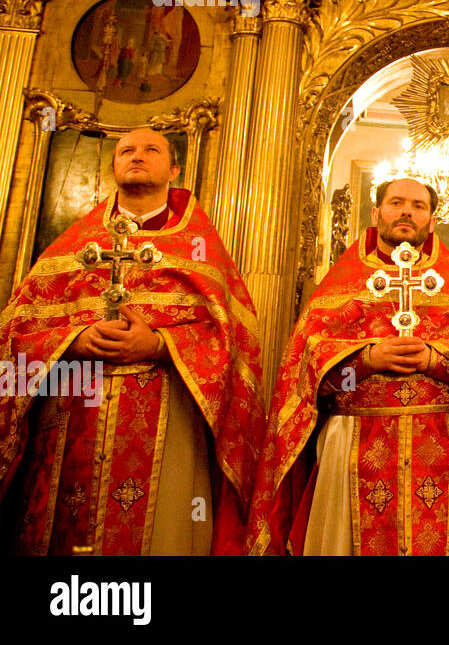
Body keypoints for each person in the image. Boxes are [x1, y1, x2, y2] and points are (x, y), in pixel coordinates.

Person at [0, 128, 266, 555]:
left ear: (174, 168)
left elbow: (232, 342)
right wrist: (74, 339)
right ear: (113, 165)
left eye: (150, 150)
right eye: (126, 150)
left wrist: (159, 345)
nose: (137, 157)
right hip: (72, 418)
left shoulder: (200, 249)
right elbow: (18, 330)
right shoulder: (75, 246)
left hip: (169, 415)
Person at [245, 177, 449, 555]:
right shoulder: (342, 283)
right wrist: (366, 359)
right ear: (377, 212)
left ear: (431, 218)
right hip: (353, 437)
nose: (407, 211)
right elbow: (302, 368)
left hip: (443, 438)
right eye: (396, 203)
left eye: (418, 205)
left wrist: (438, 360)